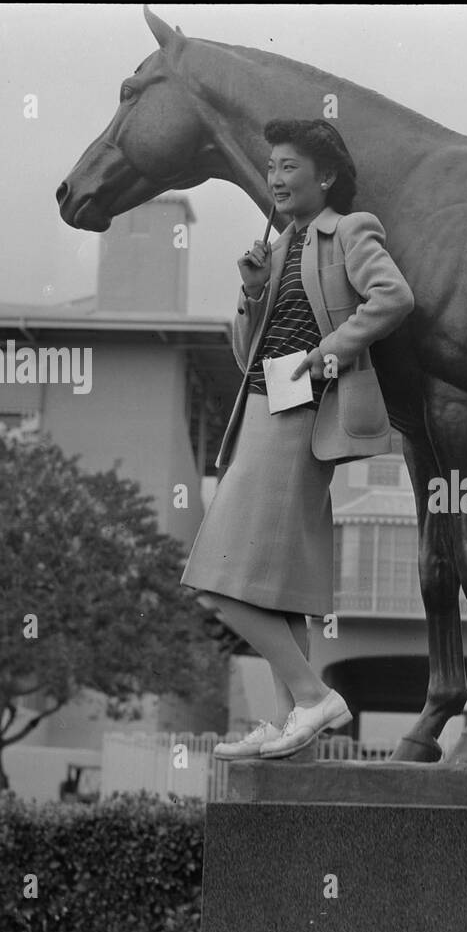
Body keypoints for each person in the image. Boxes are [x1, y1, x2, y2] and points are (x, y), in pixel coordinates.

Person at [180, 118, 413, 760]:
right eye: (272, 166)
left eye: (289, 167)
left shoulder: (350, 232)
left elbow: (394, 297)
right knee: (277, 591)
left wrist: (328, 353)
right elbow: (244, 355)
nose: (275, 178)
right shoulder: (280, 246)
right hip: (262, 404)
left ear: (326, 176)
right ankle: (288, 724)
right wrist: (252, 291)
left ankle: (314, 697)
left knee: (215, 582)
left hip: (299, 413)